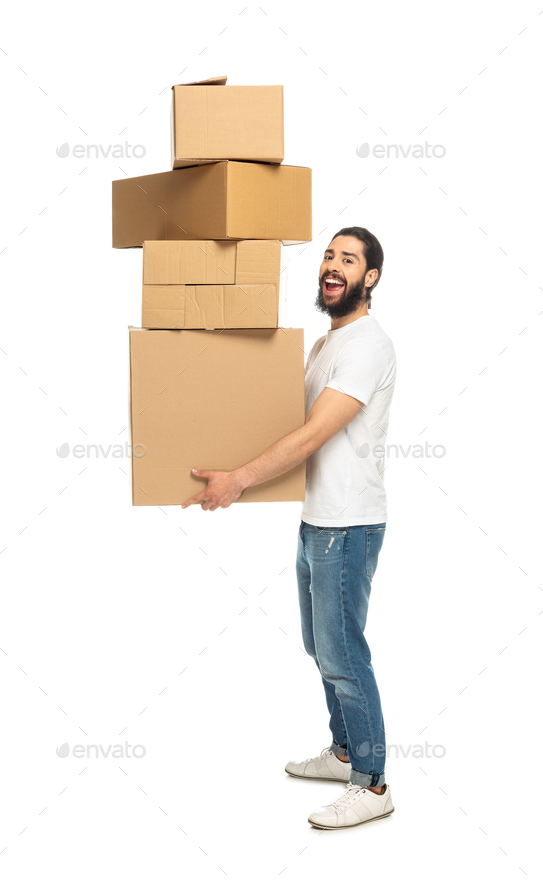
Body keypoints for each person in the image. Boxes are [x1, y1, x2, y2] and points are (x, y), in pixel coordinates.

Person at [181, 226, 397, 830]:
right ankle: (345, 750)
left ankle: (372, 782)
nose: (332, 266)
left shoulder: (366, 347)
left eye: (348, 260)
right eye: (328, 256)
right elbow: (278, 413)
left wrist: (239, 480)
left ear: (370, 278)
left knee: (344, 654)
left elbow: (310, 435)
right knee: (320, 647)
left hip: (348, 526)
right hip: (317, 521)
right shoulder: (329, 342)